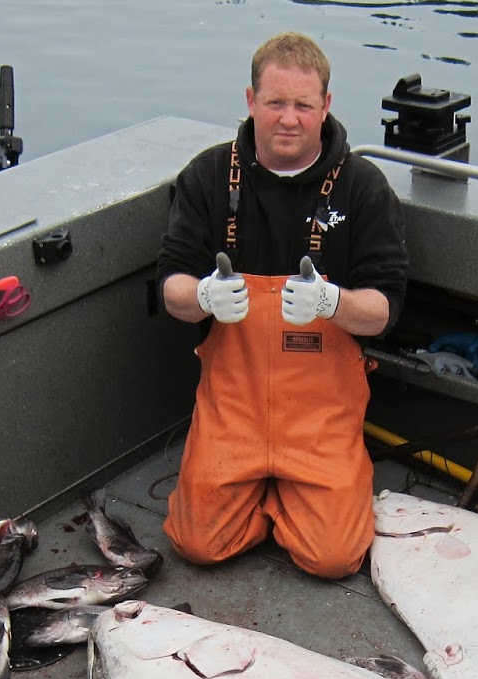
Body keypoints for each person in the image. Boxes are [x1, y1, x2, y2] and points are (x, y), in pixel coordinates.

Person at [157, 32, 408, 580]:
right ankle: (267, 498)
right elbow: (170, 286)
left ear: (326, 106)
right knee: (196, 544)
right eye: (275, 103)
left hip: (318, 416)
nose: (288, 119)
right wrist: (201, 295)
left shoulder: (363, 188)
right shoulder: (206, 176)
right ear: (251, 103)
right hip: (234, 409)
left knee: (335, 558)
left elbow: (385, 309)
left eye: (302, 105)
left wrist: (332, 301)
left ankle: (285, 499)